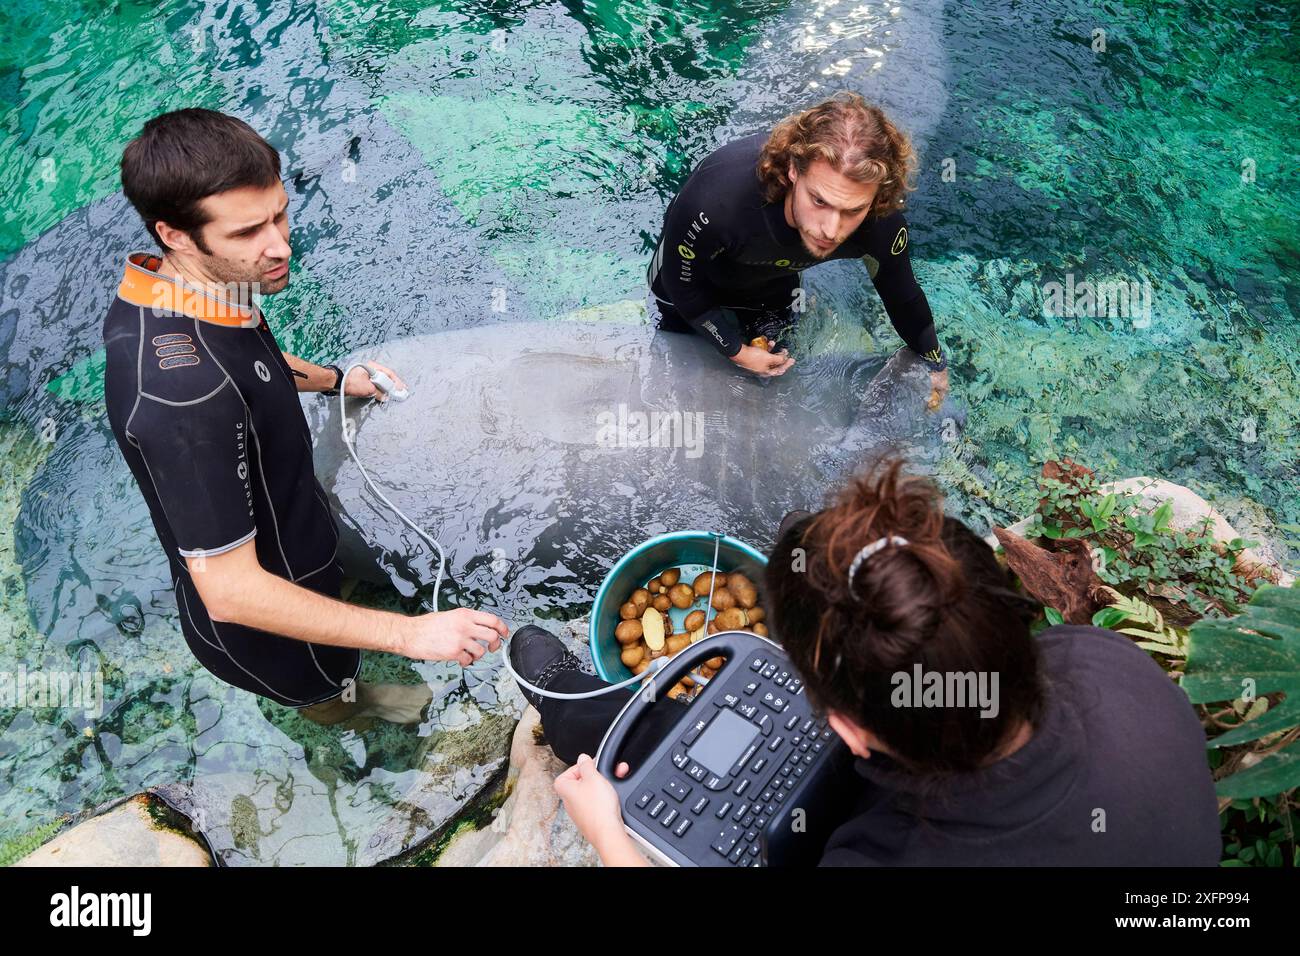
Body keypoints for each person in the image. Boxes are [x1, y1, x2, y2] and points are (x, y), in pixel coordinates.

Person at [509, 459, 1223, 865]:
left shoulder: (884, 858)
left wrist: (607, 833)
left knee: (633, 735)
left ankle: (582, 711)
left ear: (848, 732)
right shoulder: (1111, 664)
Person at [104, 109, 508, 723]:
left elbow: (252, 358)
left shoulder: (194, 286)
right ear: (176, 234)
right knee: (328, 685)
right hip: (269, 636)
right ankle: (353, 709)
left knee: (335, 616)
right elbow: (232, 592)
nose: (279, 246)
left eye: (280, 214)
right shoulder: (181, 399)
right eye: (247, 233)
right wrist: (410, 635)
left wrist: (338, 380)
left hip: (302, 546)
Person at [647, 91, 950, 404]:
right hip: (687, 282)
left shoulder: (881, 225)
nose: (831, 231)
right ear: (793, 170)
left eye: (853, 210)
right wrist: (737, 353)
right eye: (819, 200)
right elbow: (681, 283)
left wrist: (935, 363)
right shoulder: (718, 201)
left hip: (771, 285)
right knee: (673, 355)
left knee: (778, 364)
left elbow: (903, 296)